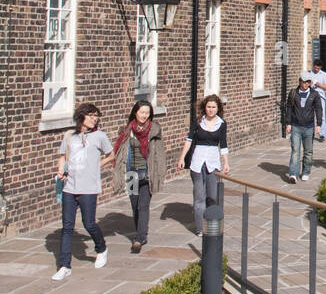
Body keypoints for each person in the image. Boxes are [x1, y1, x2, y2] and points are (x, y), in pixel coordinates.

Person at [53, 102, 113, 280]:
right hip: (70, 187)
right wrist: (60, 170)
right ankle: (64, 265)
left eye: (96, 116)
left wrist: (97, 166)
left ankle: (101, 248)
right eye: (91, 116)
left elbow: (111, 155)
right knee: (67, 227)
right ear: (81, 116)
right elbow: (63, 156)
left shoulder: (100, 136)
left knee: (89, 224)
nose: (95, 119)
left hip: (88, 187)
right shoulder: (69, 135)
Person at [112, 100, 166, 253]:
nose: (144, 115)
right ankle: (140, 231)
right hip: (131, 173)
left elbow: (159, 153)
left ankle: (140, 237)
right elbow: (119, 151)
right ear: (135, 112)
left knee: (143, 205)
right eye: (141, 112)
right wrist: (116, 172)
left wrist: (159, 172)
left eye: (147, 113)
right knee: (135, 205)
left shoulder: (155, 130)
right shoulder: (127, 130)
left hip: (148, 172)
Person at [177, 95, 229, 237]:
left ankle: (211, 224)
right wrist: (182, 158)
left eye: (213, 107)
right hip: (197, 161)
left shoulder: (222, 124)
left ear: (218, 108)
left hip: (213, 162)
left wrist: (226, 162)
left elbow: (223, 144)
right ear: (204, 108)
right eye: (208, 107)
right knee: (199, 196)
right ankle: (200, 228)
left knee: (212, 196)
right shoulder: (198, 122)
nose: (211, 110)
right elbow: (189, 140)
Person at [284, 71, 323, 183]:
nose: (306, 84)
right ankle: (293, 174)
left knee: (308, 151)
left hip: (309, 127)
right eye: (304, 82)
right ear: (300, 81)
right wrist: (288, 123)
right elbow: (289, 108)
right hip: (296, 126)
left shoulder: (314, 94)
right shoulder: (293, 93)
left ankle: (305, 172)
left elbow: (319, 109)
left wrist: (319, 124)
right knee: (295, 150)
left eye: (308, 82)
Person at [310, 59, 326, 139]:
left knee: (322, 115)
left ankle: (322, 134)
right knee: (310, 115)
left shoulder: (324, 75)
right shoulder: (309, 74)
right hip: (311, 96)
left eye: (318, 68)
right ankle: (310, 133)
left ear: (320, 67)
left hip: (320, 96)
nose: (316, 70)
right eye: (315, 68)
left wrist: (318, 84)